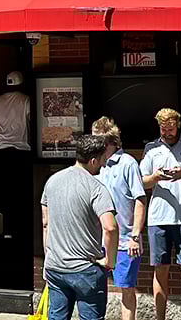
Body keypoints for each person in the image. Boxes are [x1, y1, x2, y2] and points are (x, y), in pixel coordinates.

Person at [139, 108, 181, 320]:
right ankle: (160, 317)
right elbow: (141, 182)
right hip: (158, 218)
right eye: (163, 129)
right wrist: (156, 177)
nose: (167, 133)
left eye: (170, 128)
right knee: (160, 271)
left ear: (178, 125)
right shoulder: (151, 149)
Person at [41, 134, 118, 320]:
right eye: (102, 160)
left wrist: (49, 257)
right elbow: (110, 228)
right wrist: (110, 261)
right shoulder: (96, 188)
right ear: (93, 160)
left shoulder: (52, 181)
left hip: (56, 267)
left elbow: (46, 223)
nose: (103, 164)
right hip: (86, 268)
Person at [92, 118, 146, 320]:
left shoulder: (128, 164)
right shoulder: (96, 165)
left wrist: (135, 235)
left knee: (126, 288)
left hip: (125, 240)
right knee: (97, 286)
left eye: (99, 141)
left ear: (110, 142)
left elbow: (140, 200)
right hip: (100, 240)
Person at [0, 71, 30, 240]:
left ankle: (3, 224)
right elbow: (32, 122)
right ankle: (19, 226)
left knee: (2, 188)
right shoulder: (26, 100)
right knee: (19, 190)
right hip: (21, 150)